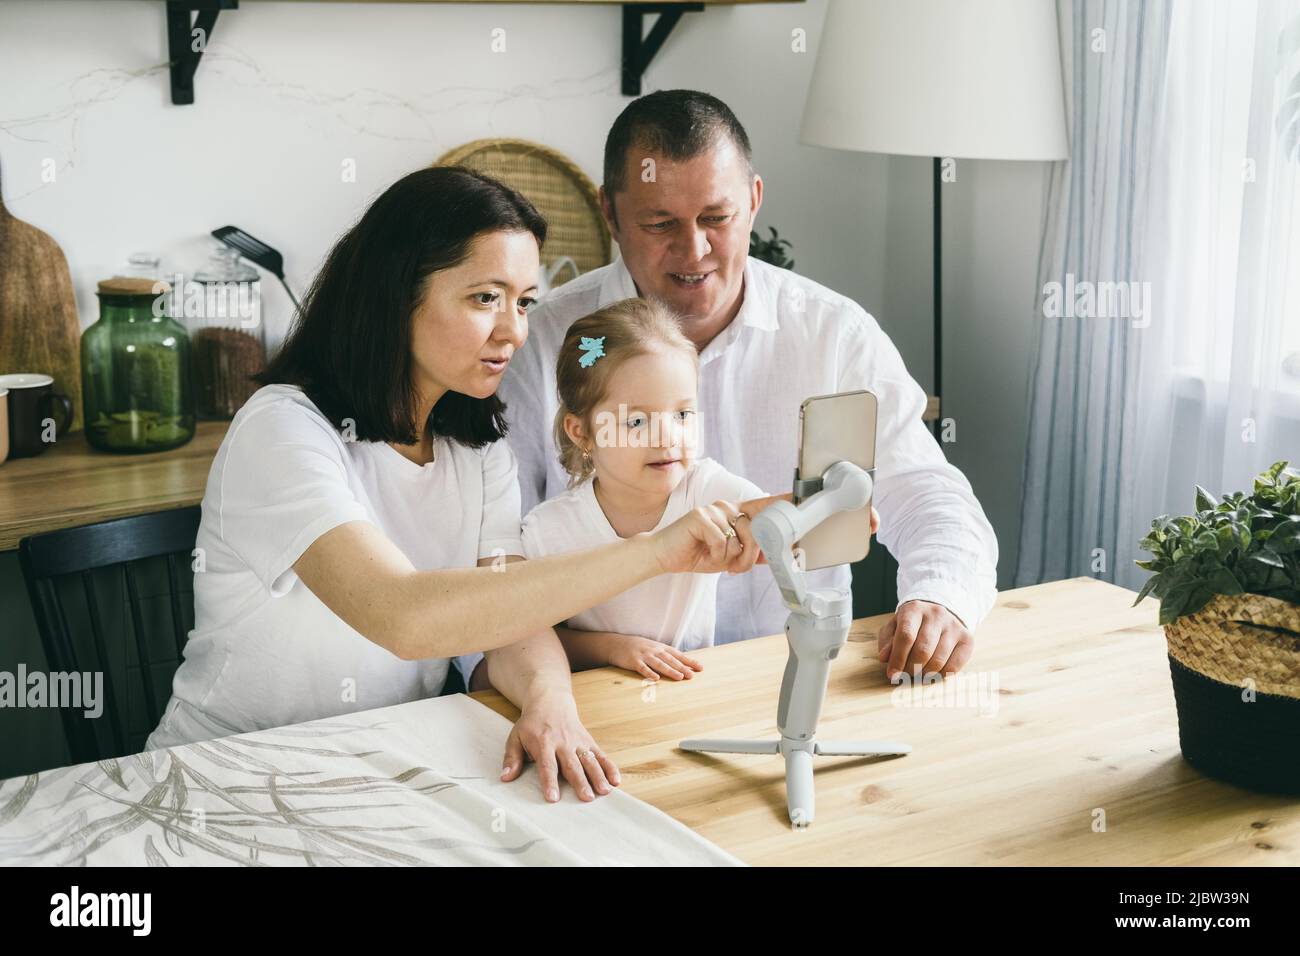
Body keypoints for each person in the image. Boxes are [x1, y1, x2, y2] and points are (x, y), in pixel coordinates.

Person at [145, 166, 757, 803]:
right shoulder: (283, 428)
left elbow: (510, 613)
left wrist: (549, 699)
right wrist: (656, 551)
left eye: (523, 302)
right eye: (485, 298)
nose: (514, 331)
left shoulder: (479, 448)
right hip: (227, 771)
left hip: (383, 765)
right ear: (396, 292)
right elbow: (402, 614)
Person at [491, 90, 1000, 687]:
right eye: (660, 224)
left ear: (754, 200)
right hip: (597, 690)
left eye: (717, 217)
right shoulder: (541, 342)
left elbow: (925, 493)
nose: (694, 250)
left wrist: (940, 597)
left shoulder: (833, 333)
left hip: (793, 675)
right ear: (611, 213)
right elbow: (496, 564)